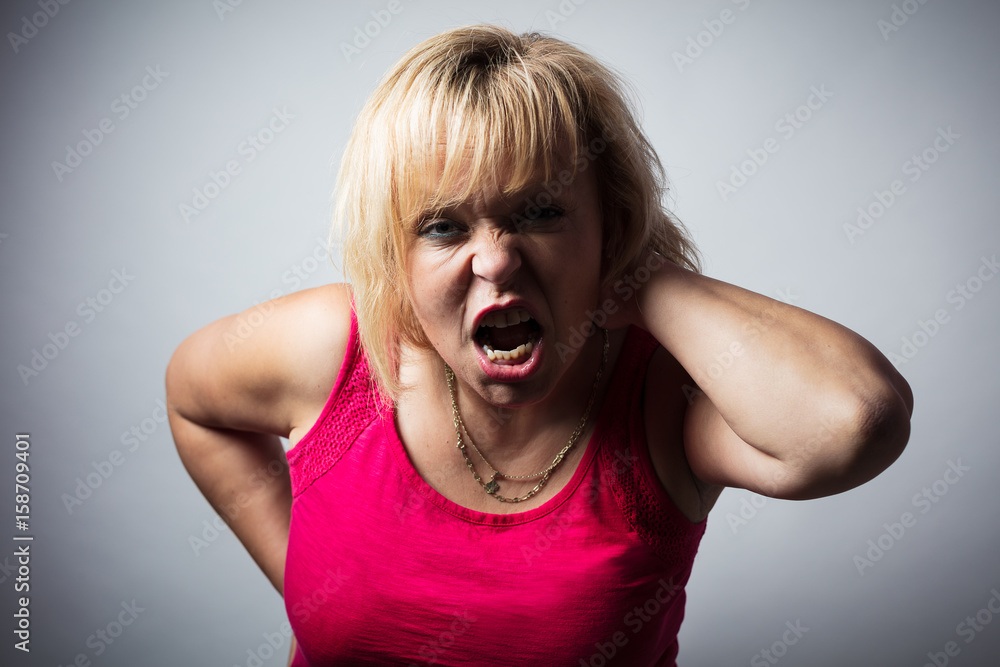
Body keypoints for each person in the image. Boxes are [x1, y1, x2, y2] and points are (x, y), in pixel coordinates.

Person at [166, 24, 914, 666]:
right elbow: (193, 398)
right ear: (393, 252)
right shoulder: (337, 352)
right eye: (442, 225)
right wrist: (307, 581)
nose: (495, 261)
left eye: (542, 211)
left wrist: (644, 276)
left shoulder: (663, 399)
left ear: (609, 222)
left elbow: (856, 419)